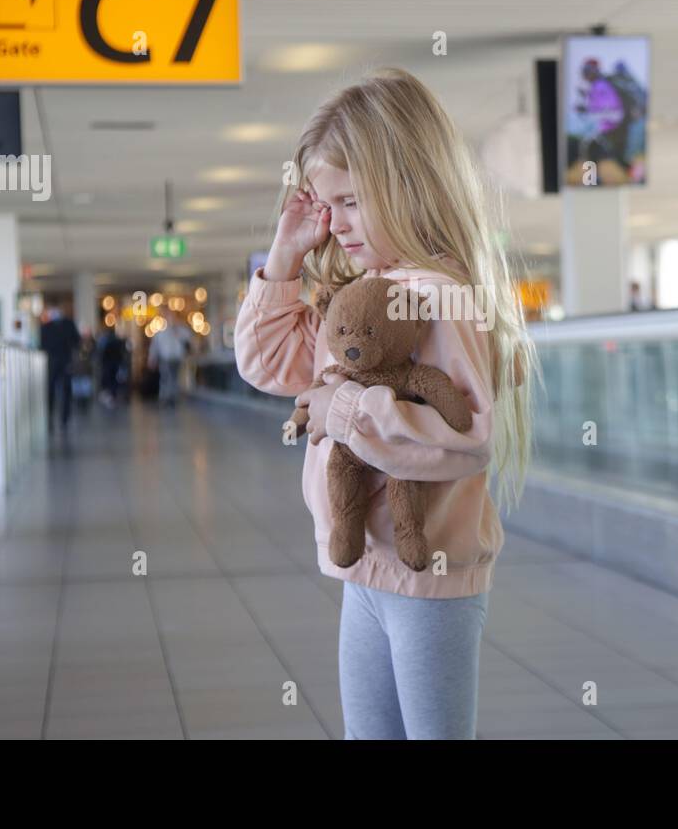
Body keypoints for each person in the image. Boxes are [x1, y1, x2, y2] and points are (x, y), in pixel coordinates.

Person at [234, 67, 537, 740]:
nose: (333, 225)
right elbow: (267, 364)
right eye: (321, 204)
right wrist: (283, 258)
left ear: (407, 185)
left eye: (349, 201)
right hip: (367, 571)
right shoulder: (366, 293)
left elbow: (461, 438)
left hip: (429, 580)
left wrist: (336, 406)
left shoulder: (436, 295)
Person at [39, 301, 81, 434]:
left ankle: (64, 418)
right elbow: (42, 345)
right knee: (51, 390)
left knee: (65, 390)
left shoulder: (67, 324)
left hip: (64, 362)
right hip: (54, 362)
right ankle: (51, 416)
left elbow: (76, 341)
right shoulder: (46, 327)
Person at [148, 312, 192, 406]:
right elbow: (155, 347)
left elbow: (188, 343)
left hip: (177, 359)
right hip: (165, 359)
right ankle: (165, 397)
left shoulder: (182, 331)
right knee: (166, 378)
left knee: (175, 378)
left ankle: (173, 398)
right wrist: (152, 358)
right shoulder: (161, 333)